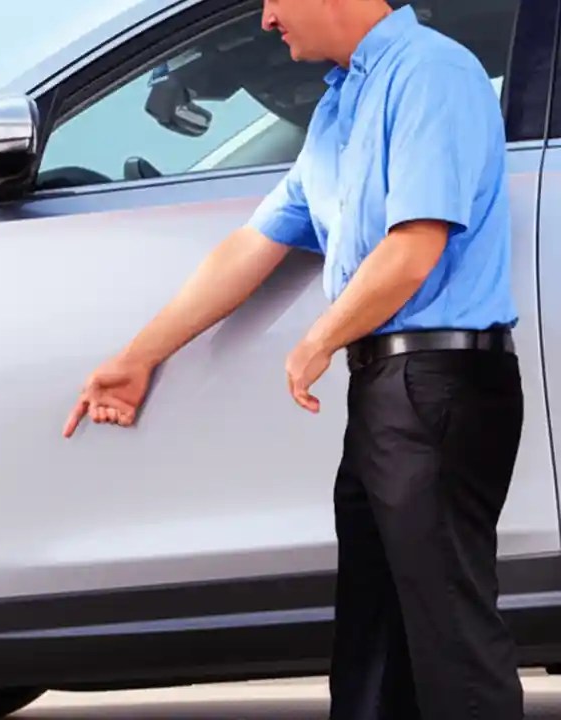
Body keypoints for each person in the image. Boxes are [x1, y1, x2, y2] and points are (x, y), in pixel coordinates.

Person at [63, 1, 524, 718]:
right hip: (386, 392)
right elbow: (253, 245)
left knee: (449, 647)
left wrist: (318, 338)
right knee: (375, 645)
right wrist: (138, 357)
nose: (268, 18)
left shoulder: (430, 73)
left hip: (439, 386)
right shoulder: (340, 111)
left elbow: (415, 245)